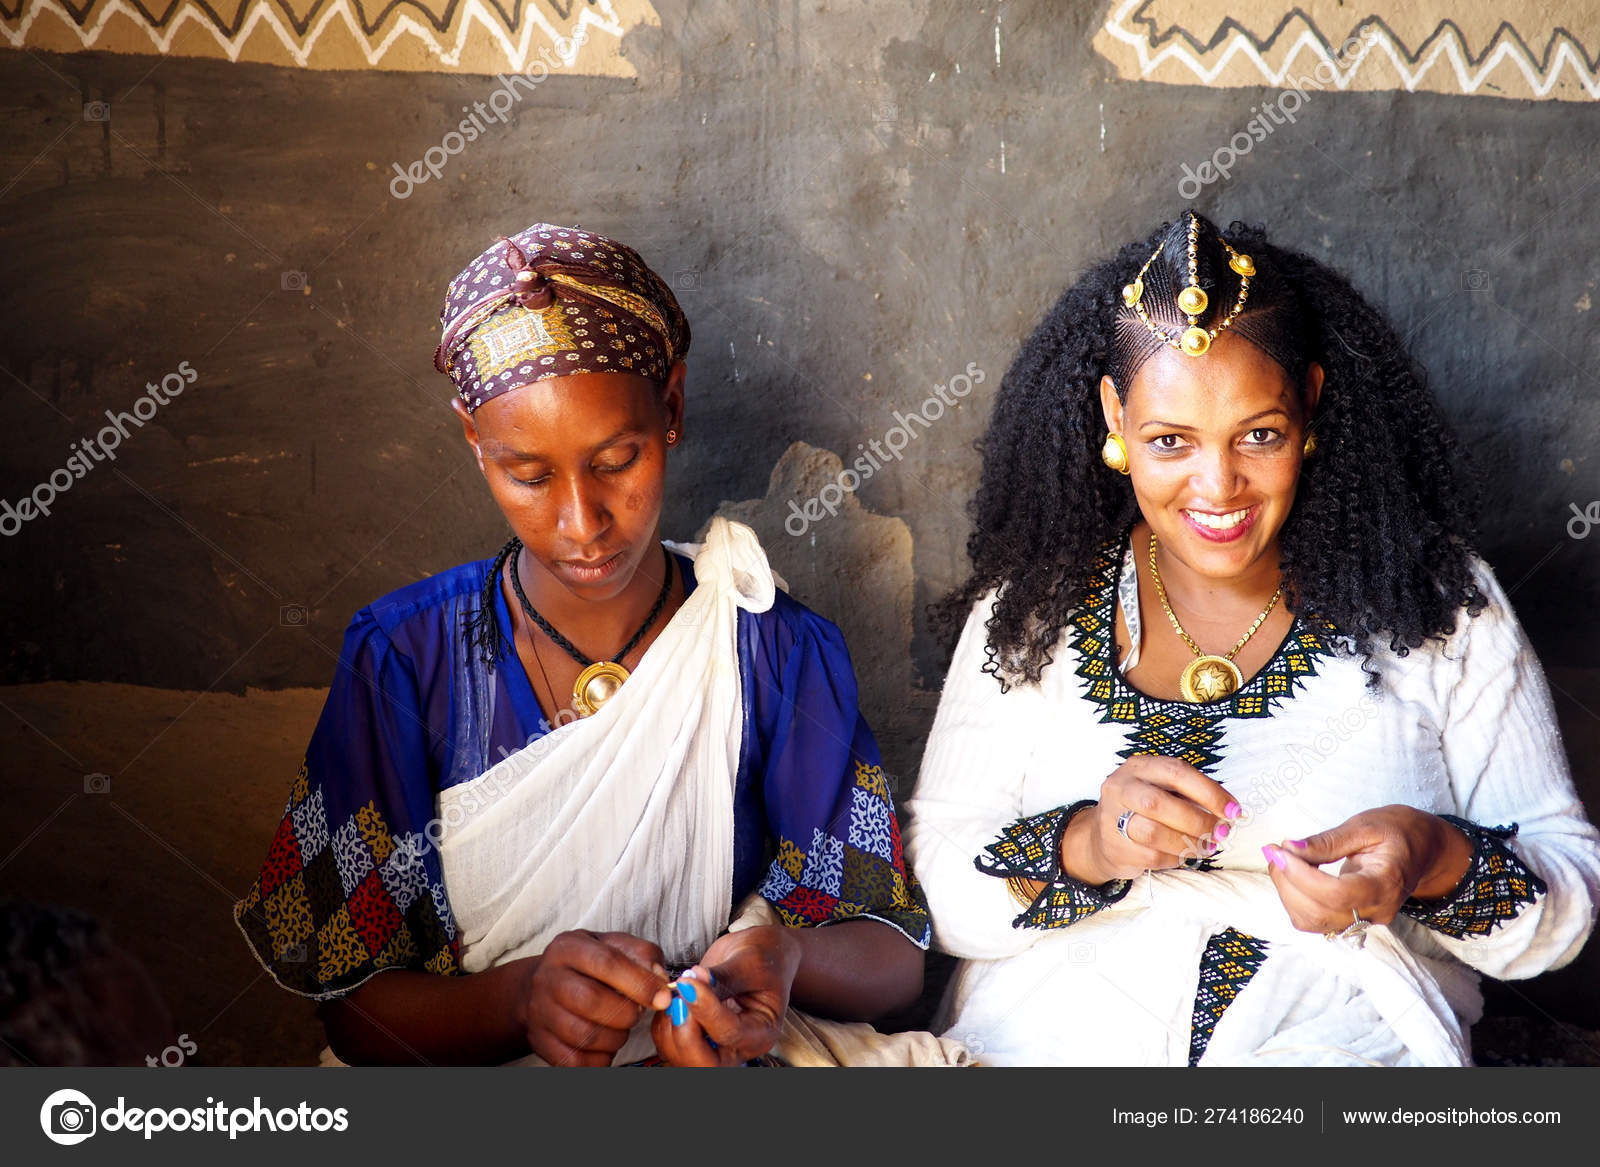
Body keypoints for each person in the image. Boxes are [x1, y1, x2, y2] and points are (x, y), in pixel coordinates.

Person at [903, 210, 1600, 1066]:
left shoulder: (1435, 605)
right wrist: (1091, 844)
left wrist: (1432, 860)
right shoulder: (1033, 609)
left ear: (1310, 402)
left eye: (1258, 435)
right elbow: (938, 882)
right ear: (1114, 414)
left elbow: (1566, 899)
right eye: (1170, 441)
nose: (1218, 485)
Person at [234, 223, 931, 1067]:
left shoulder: (772, 648)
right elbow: (350, 1007)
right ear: (474, 441)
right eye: (528, 475)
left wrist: (783, 959)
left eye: (616, 460)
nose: (582, 521)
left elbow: (893, 954)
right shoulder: (405, 657)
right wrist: (520, 999)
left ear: (672, 408)